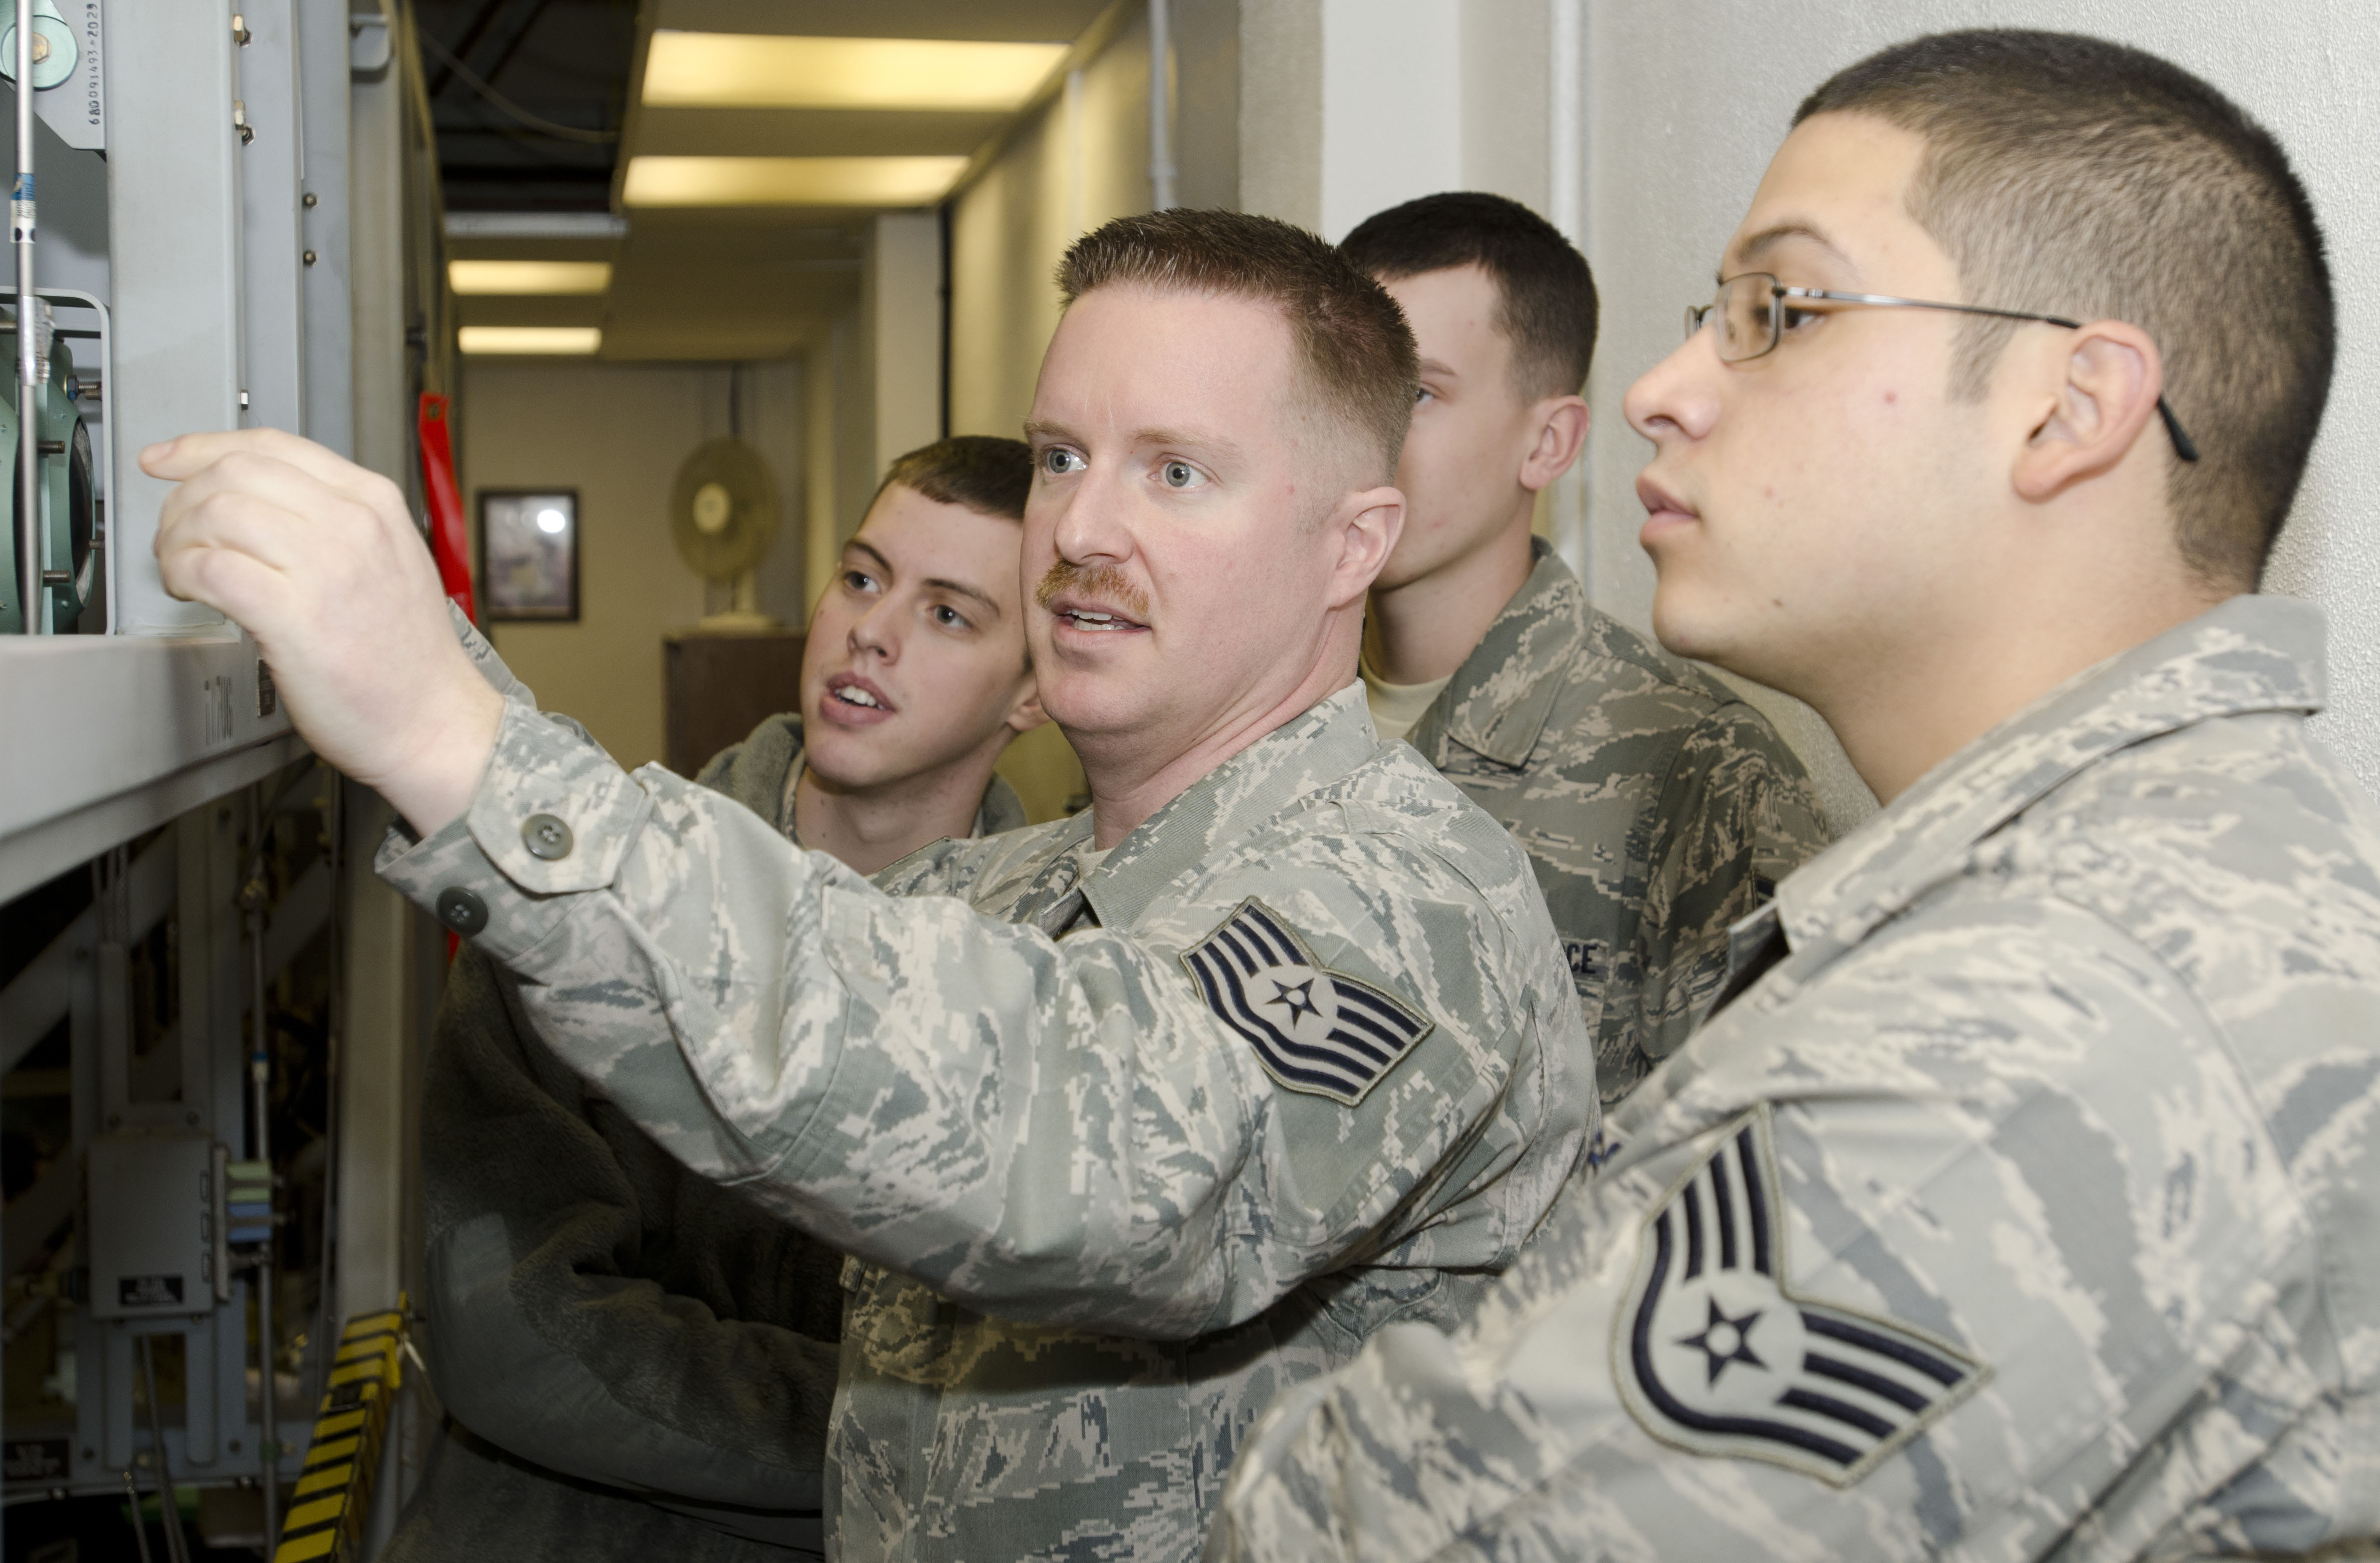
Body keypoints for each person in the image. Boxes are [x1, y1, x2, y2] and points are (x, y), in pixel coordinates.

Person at [144, 210, 1595, 1562]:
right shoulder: (1010, 888)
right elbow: (791, 983)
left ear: (1352, 542)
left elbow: (1107, 1154)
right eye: (1059, 457)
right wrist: (433, 682)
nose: (1082, 530)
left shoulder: (1411, 890)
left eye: (1175, 471)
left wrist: (459, 747)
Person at [1210, 29, 2379, 1559]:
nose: (1660, 389)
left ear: (2068, 405)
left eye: (1781, 310)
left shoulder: (2054, 1012)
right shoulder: (2132, 890)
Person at [384, 438, 1046, 1562]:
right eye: (863, 576)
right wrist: (912, 1434)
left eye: (948, 614)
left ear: (1033, 687)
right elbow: (514, 1338)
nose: (870, 630)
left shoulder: (1054, 981)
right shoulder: (583, 895)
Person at [1340, 193, 1828, 1105]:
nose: (1364, 433)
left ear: (1549, 442)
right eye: (1342, 384)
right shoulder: (1249, 710)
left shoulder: (1692, 765)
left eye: (1416, 393)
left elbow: (1743, 1170)